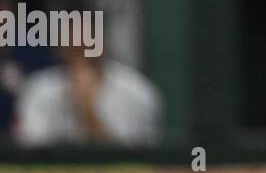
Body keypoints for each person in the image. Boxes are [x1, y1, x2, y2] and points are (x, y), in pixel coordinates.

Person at [14, 44, 162, 146]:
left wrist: (87, 110)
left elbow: (137, 155)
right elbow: (31, 147)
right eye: (72, 42)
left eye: (88, 40)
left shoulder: (136, 90)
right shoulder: (39, 88)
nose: (80, 49)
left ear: (103, 43)